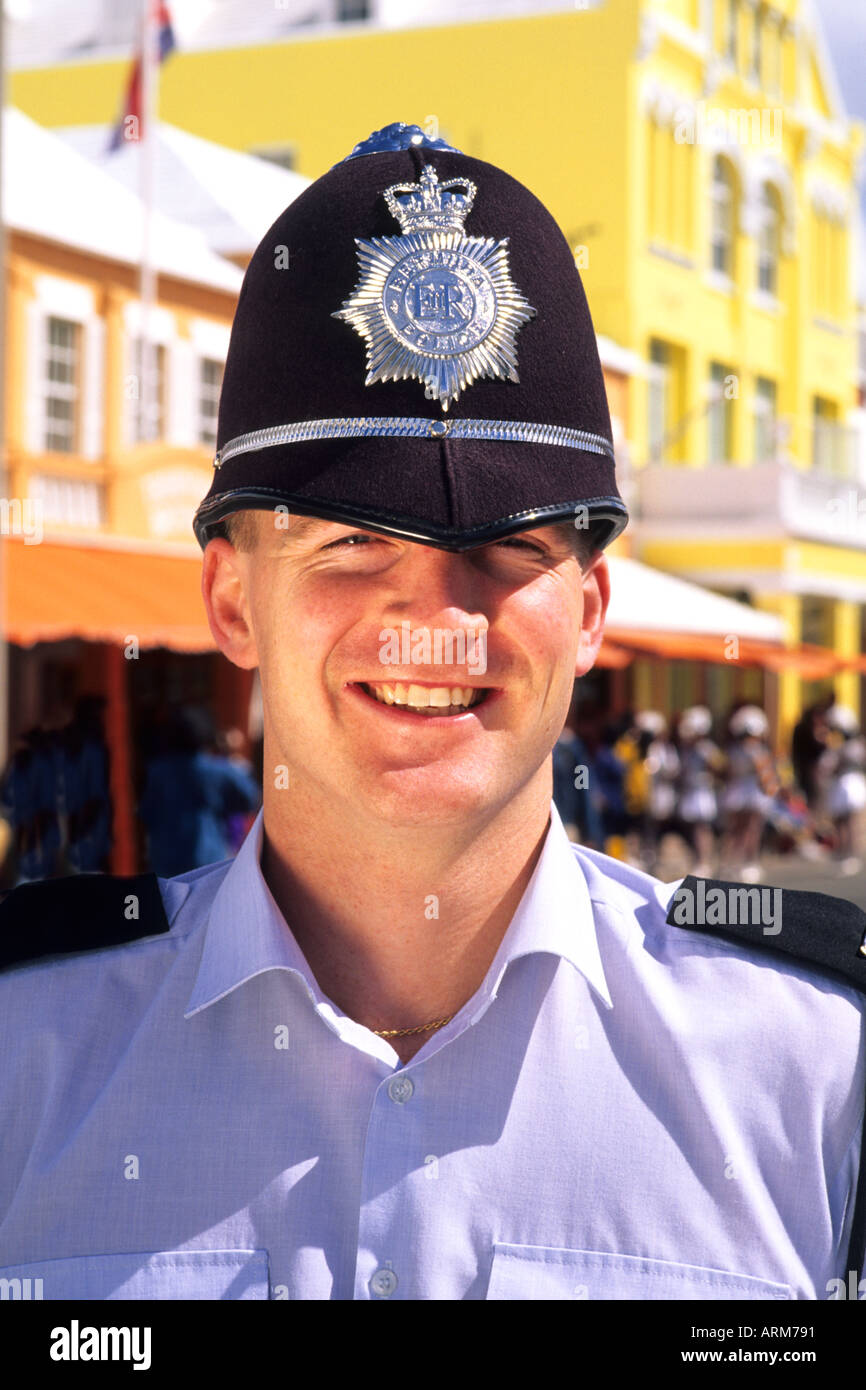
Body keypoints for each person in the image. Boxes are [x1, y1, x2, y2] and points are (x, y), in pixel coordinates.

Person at [1, 123, 865, 1303]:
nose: (436, 618)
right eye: (353, 542)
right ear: (230, 600)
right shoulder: (25, 1055)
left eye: (508, 547)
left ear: (592, 609)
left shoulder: (814, 1065)